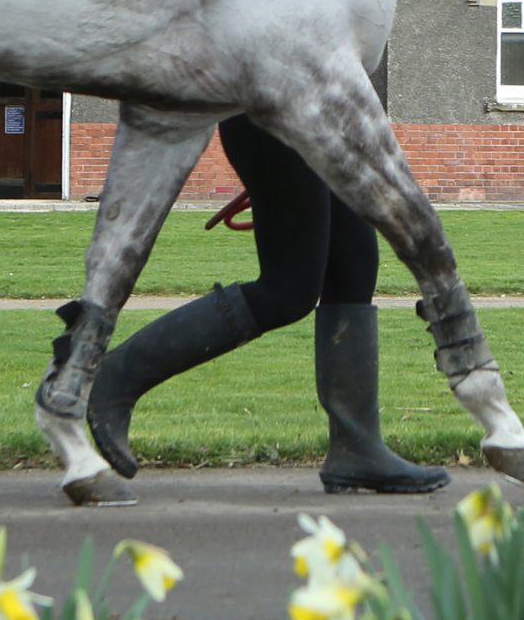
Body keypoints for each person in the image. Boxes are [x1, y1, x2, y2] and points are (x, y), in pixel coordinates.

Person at [86, 114, 449, 494]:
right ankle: (114, 378)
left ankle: (357, 450)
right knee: (289, 291)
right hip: (272, 112)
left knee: (354, 270)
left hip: (327, 120)